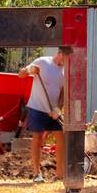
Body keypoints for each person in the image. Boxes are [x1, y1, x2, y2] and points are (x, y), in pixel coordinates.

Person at [18, 47, 68, 183]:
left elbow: (63, 93)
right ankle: (36, 174)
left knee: (61, 138)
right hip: (37, 108)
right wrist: (29, 70)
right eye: (67, 57)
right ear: (61, 53)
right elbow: (20, 74)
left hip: (52, 111)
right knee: (37, 139)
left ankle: (59, 175)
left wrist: (58, 108)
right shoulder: (42, 62)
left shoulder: (64, 72)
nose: (68, 61)